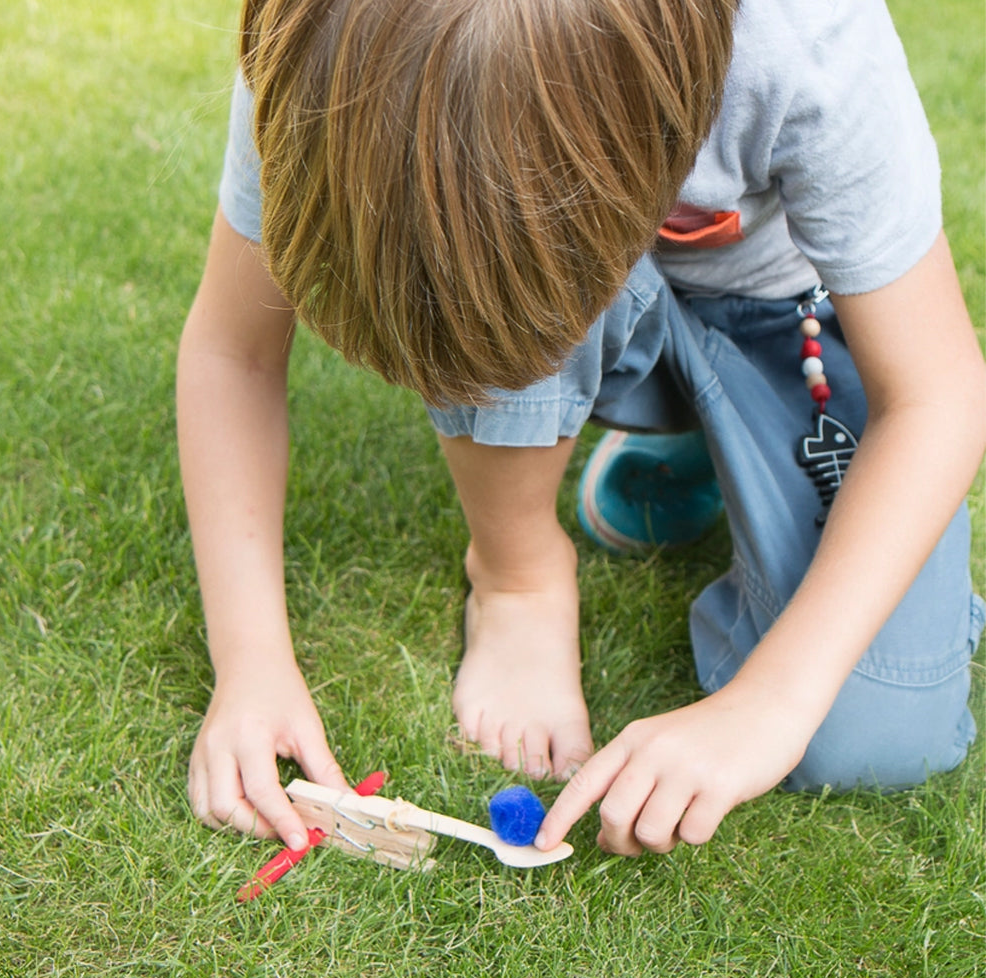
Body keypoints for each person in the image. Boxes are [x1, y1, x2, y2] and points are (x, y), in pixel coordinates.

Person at [178, 0, 985, 858]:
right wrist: (250, 662)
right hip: (583, 307)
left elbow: (935, 393)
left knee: (874, 731)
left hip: (788, 327)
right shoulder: (330, 46)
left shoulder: (804, 35)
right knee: (491, 256)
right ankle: (518, 577)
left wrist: (771, 703)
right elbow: (235, 352)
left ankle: (718, 437)